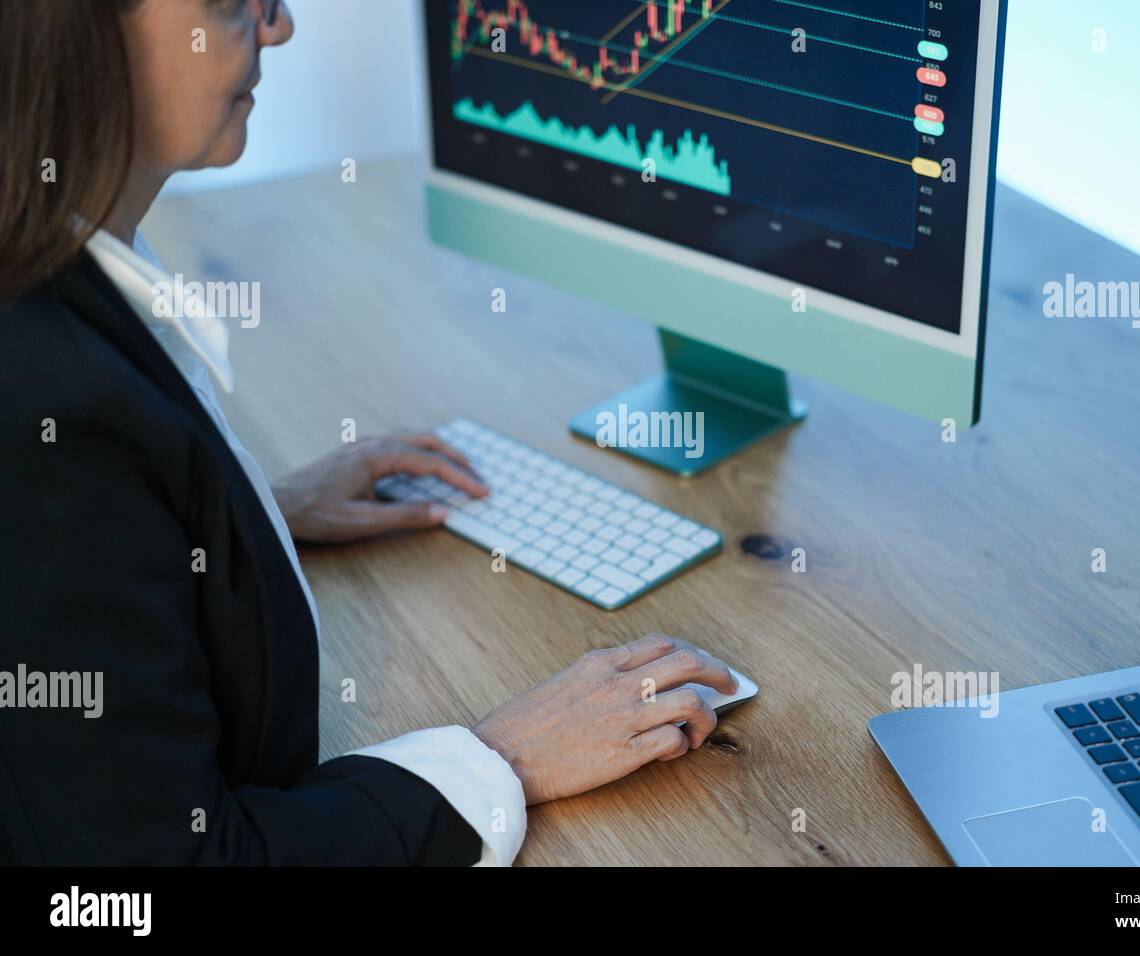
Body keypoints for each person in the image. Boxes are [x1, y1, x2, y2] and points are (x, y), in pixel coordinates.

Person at [0, 0, 738, 866]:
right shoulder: (55, 420)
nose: (279, 25)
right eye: (231, 5)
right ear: (74, 33)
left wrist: (232, 520)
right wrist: (500, 762)